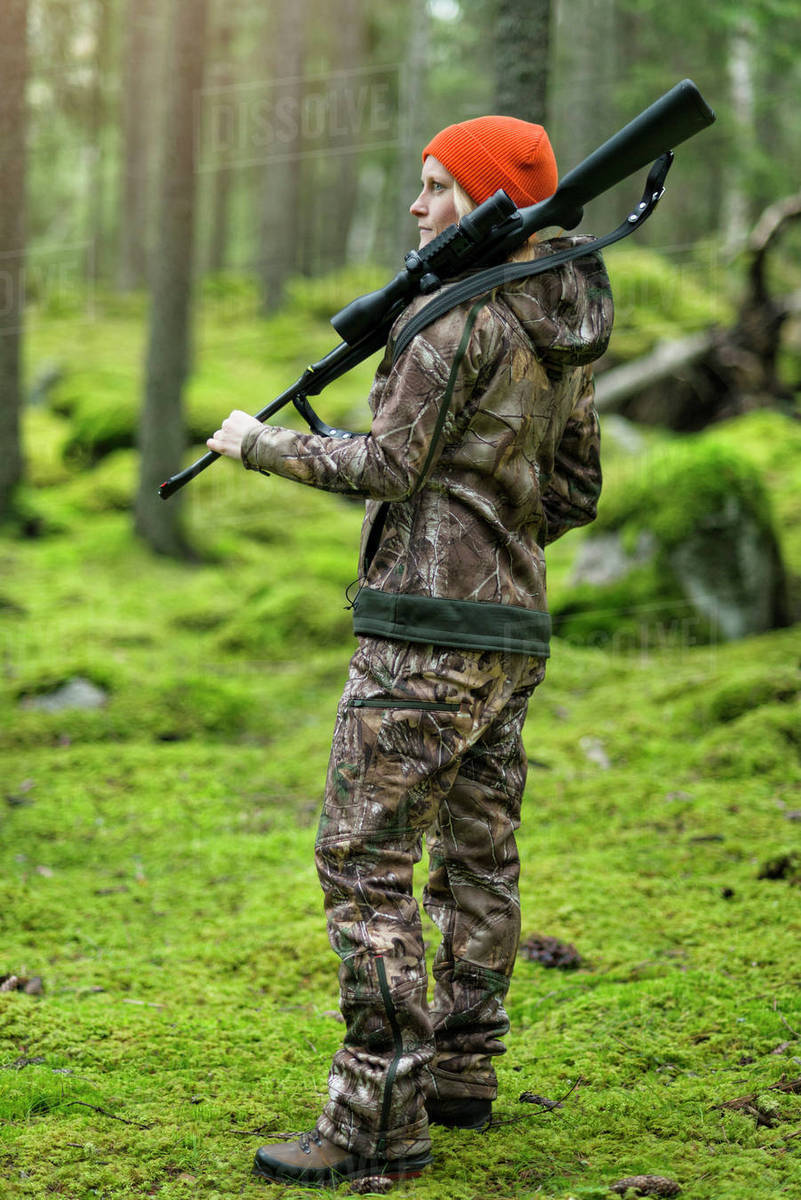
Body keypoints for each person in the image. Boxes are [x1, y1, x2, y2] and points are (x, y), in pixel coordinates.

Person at [207, 115, 613, 1189]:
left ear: (487, 202)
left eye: (437, 186)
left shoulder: (451, 317)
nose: (418, 205)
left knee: (363, 860)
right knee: (479, 855)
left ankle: (375, 1116)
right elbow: (575, 491)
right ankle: (464, 1072)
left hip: (421, 638)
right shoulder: (560, 322)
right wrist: (492, 529)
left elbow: (388, 465)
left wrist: (258, 443)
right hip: (511, 634)